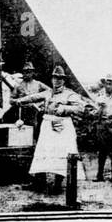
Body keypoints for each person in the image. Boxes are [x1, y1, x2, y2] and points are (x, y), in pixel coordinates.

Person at [27, 65, 88, 195]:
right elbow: (32, 98)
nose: (57, 81)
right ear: (52, 79)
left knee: (63, 153)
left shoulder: (70, 94)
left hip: (64, 126)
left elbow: (81, 108)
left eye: (60, 78)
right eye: (55, 78)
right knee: (44, 151)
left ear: (64, 80)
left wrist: (65, 108)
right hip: (47, 125)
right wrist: (16, 101)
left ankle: (58, 184)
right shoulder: (47, 93)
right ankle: (40, 182)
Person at [92, 75, 112, 184]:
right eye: (106, 83)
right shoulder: (100, 98)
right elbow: (94, 113)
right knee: (101, 152)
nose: (107, 86)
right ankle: (99, 175)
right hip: (102, 126)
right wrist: (99, 108)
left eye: (110, 84)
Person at [7, 58, 51, 128]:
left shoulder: (38, 84)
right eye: (25, 72)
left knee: (35, 129)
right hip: (21, 112)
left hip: (35, 111)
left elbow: (50, 92)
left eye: (29, 72)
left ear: (33, 72)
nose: (27, 74)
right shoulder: (18, 85)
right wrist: (17, 101)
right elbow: (11, 100)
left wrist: (42, 104)